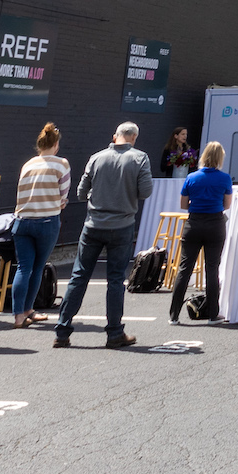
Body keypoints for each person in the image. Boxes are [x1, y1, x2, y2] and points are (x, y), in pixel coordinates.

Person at [56, 121, 153, 349]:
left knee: (79, 277)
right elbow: (146, 192)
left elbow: (81, 192)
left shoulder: (96, 157)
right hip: (122, 225)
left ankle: (62, 330)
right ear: (134, 138)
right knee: (116, 280)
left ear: (115, 136)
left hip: (93, 225)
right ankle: (114, 333)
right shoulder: (140, 158)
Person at [11, 123, 69, 329]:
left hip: (22, 220)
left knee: (24, 267)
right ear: (56, 145)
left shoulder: (28, 164)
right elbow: (63, 196)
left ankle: (19, 314)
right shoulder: (61, 164)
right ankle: (28, 309)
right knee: (38, 267)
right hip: (47, 220)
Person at [172, 141, 234, 324]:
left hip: (194, 223)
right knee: (212, 268)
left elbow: (183, 205)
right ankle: (213, 314)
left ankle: (174, 315)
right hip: (215, 224)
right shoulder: (225, 178)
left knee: (185, 268)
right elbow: (227, 205)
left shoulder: (192, 177)